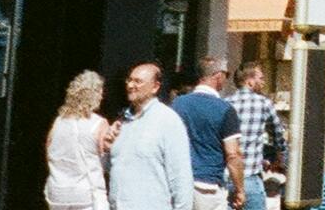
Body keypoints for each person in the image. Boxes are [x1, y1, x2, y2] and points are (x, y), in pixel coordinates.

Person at [108, 64, 193, 210]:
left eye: (138, 81)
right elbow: (112, 166)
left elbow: (180, 177)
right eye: (129, 80)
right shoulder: (122, 122)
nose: (130, 85)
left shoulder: (168, 121)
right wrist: (105, 146)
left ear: (155, 87)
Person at [175, 62, 246, 210]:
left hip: (178, 182)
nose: (226, 80)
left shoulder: (177, 104)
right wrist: (240, 190)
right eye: (226, 75)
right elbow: (232, 154)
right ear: (218, 76)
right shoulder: (225, 109)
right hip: (208, 185)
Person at [47, 74, 111, 210]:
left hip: (58, 194)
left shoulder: (58, 122)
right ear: (93, 95)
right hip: (87, 194)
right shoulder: (99, 123)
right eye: (100, 93)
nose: (101, 97)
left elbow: (49, 152)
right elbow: (106, 160)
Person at [227, 66, 284, 210]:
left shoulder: (226, 103)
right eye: (261, 78)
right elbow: (277, 134)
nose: (264, 82)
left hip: (227, 177)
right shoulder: (264, 103)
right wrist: (279, 155)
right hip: (250, 176)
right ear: (250, 81)